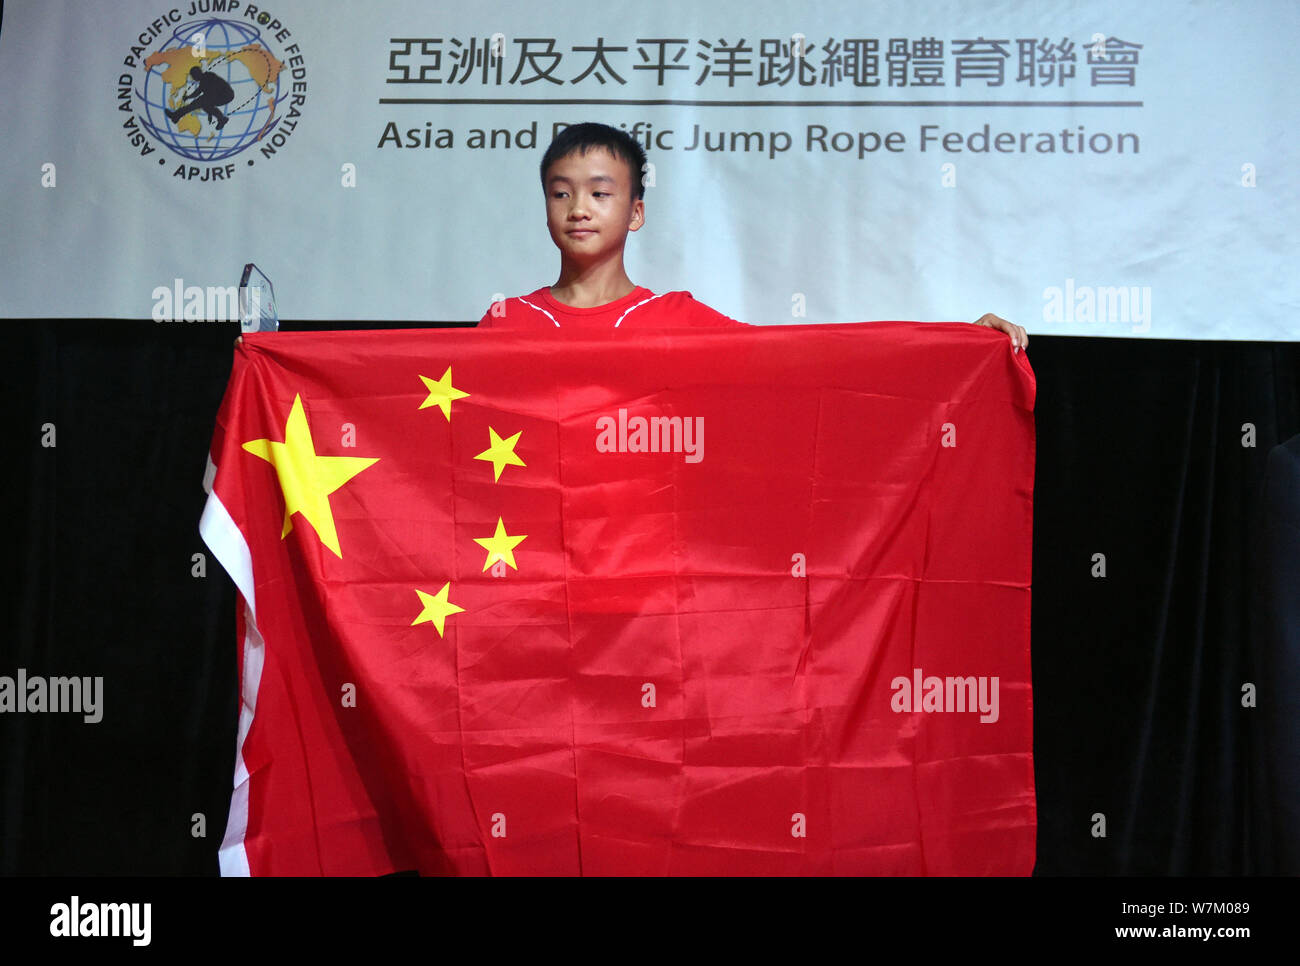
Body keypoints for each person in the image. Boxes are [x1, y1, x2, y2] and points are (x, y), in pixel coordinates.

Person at [477, 121, 1028, 348]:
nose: (579, 209)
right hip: (527, 556)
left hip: (643, 562)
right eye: (560, 193)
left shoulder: (678, 320)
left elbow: (805, 361)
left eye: (600, 193)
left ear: (636, 212)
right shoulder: (508, 323)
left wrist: (960, 342)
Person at [167, 66, 235, 130]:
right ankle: (222, 119)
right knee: (203, 105)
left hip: (225, 95)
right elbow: (198, 92)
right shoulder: (205, 78)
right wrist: (188, 97)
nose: (193, 78)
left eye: (193, 76)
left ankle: (176, 115)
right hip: (222, 95)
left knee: (198, 104)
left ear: (197, 74)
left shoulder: (208, 77)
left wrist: (209, 110)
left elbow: (200, 92)